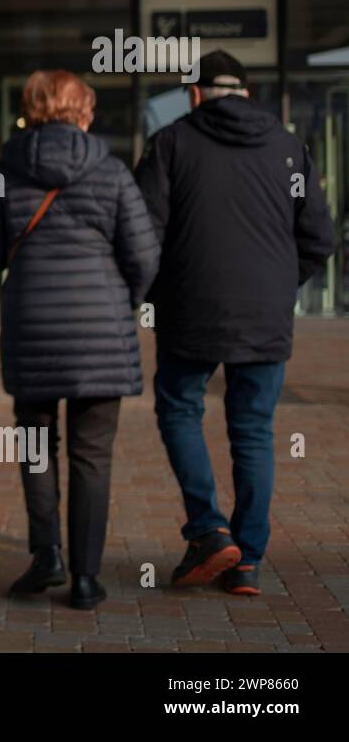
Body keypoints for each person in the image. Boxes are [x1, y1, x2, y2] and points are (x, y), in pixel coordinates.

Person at [135, 50, 336, 595]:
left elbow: (142, 237)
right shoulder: (289, 148)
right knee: (253, 432)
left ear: (196, 94)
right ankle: (246, 558)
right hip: (265, 320)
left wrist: (156, 296)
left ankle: (208, 529)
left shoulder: (171, 144)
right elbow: (319, 239)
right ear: (246, 92)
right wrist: (274, 290)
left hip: (190, 313)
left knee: (179, 410)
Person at [0, 70, 159, 610]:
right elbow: (145, 256)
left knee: (36, 444)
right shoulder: (112, 168)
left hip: (33, 330)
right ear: (83, 112)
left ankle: (47, 555)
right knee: (91, 455)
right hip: (102, 334)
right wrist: (122, 304)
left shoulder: (6, 171)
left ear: (32, 109)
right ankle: (86, 578)